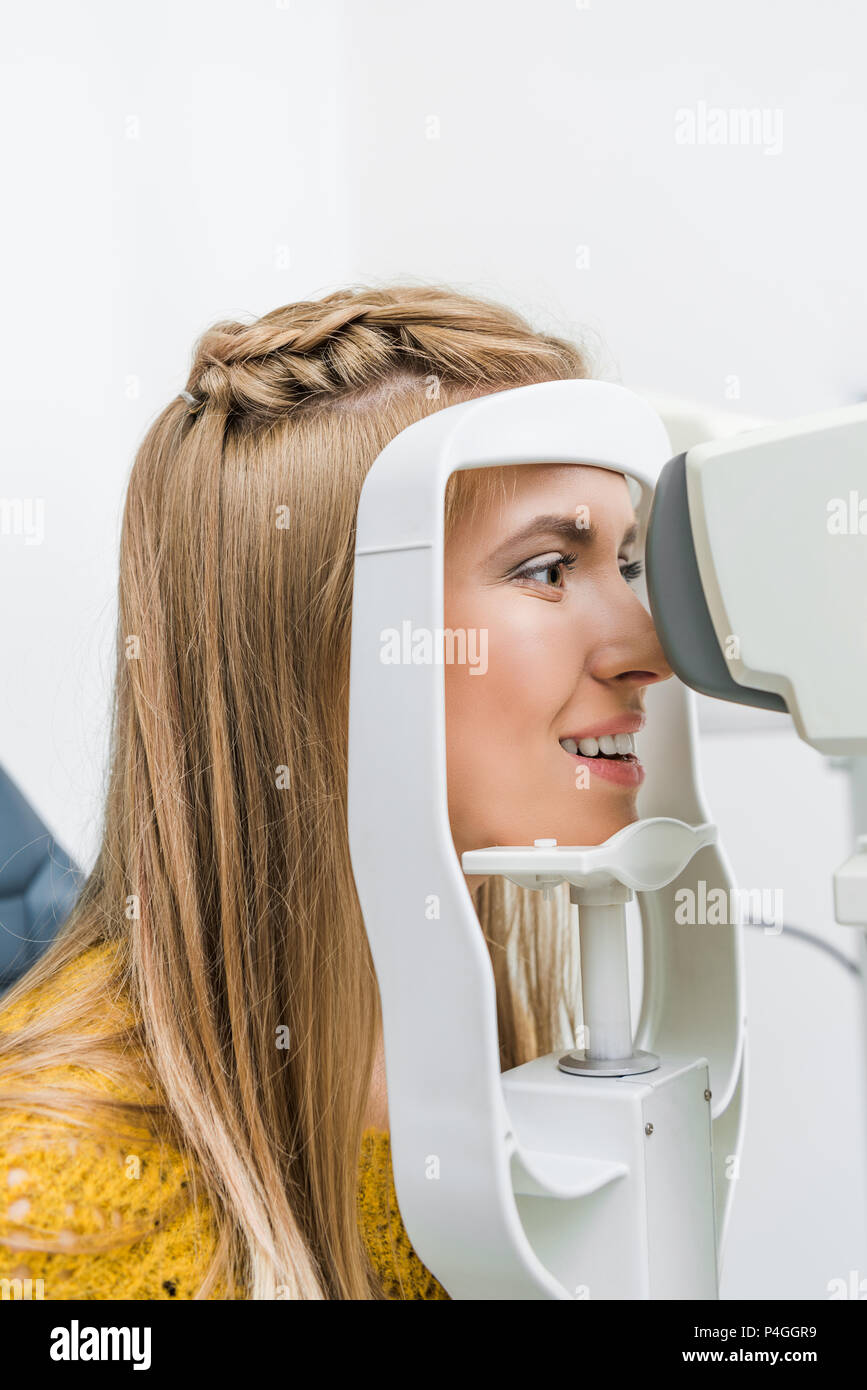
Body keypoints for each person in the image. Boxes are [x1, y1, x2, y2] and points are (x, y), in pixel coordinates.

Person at [0, 283, 671, 1299]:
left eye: (625, 563)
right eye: (547, 568)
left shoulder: (500, 1078)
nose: (649, 651)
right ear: (331, 651)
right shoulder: (59, 1217)